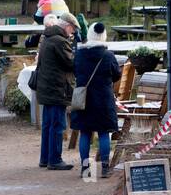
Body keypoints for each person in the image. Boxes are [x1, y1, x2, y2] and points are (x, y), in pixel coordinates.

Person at [69, 22, 121, 179]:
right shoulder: (108, 56)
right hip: (103, 100)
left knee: (85, 133)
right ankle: (105, 168)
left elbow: (75, 71)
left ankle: (86, 169)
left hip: (83, 99)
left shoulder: (79, 54)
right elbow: (117, 75)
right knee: (104, 133)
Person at [35, 11, 78, 170]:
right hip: (57, 89)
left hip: (46, 88)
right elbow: (71, 63)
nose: (72, 33)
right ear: (67, 26)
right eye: (72, 29)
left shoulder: (47, 38)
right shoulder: (60, 41)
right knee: (58, 125)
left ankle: (45, 158)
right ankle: (55, 160)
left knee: (47, 125)